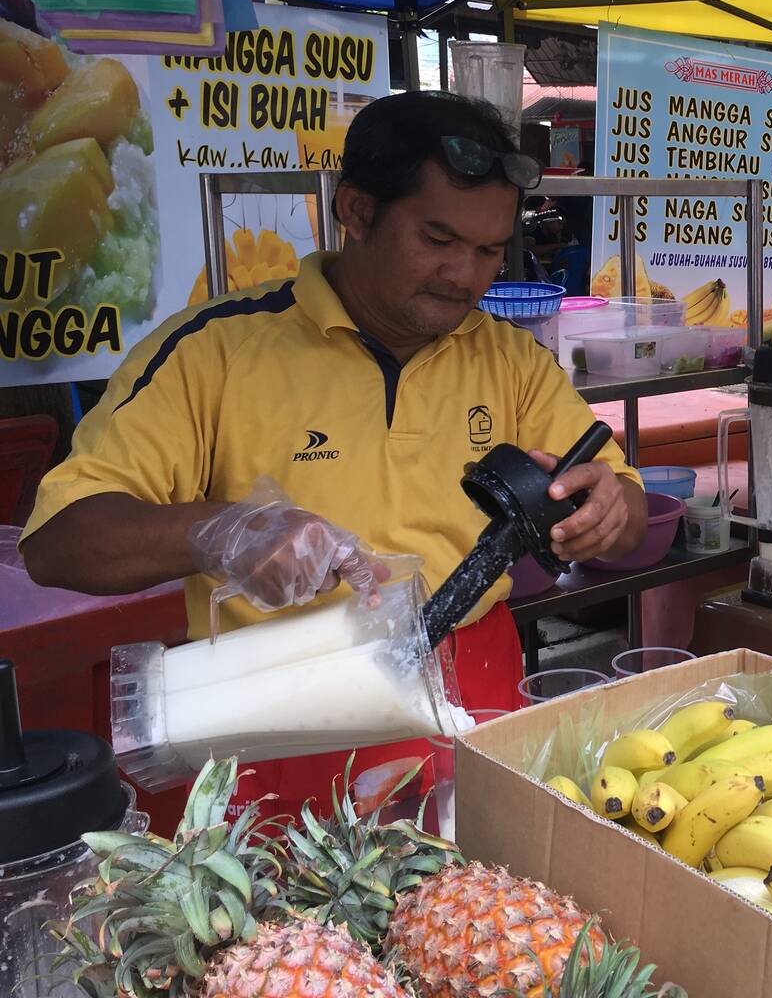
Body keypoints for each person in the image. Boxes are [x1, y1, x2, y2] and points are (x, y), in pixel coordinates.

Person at [19, 90, 647, 811]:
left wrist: (607, 508)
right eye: (438, 241)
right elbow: (59, 542)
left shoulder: (512, 361)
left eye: (487, 251)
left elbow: (625, 511)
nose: (466, 276)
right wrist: (222, 531)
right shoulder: (215, 351)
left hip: (474, 689)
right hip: (282, 715)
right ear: (355, 210)